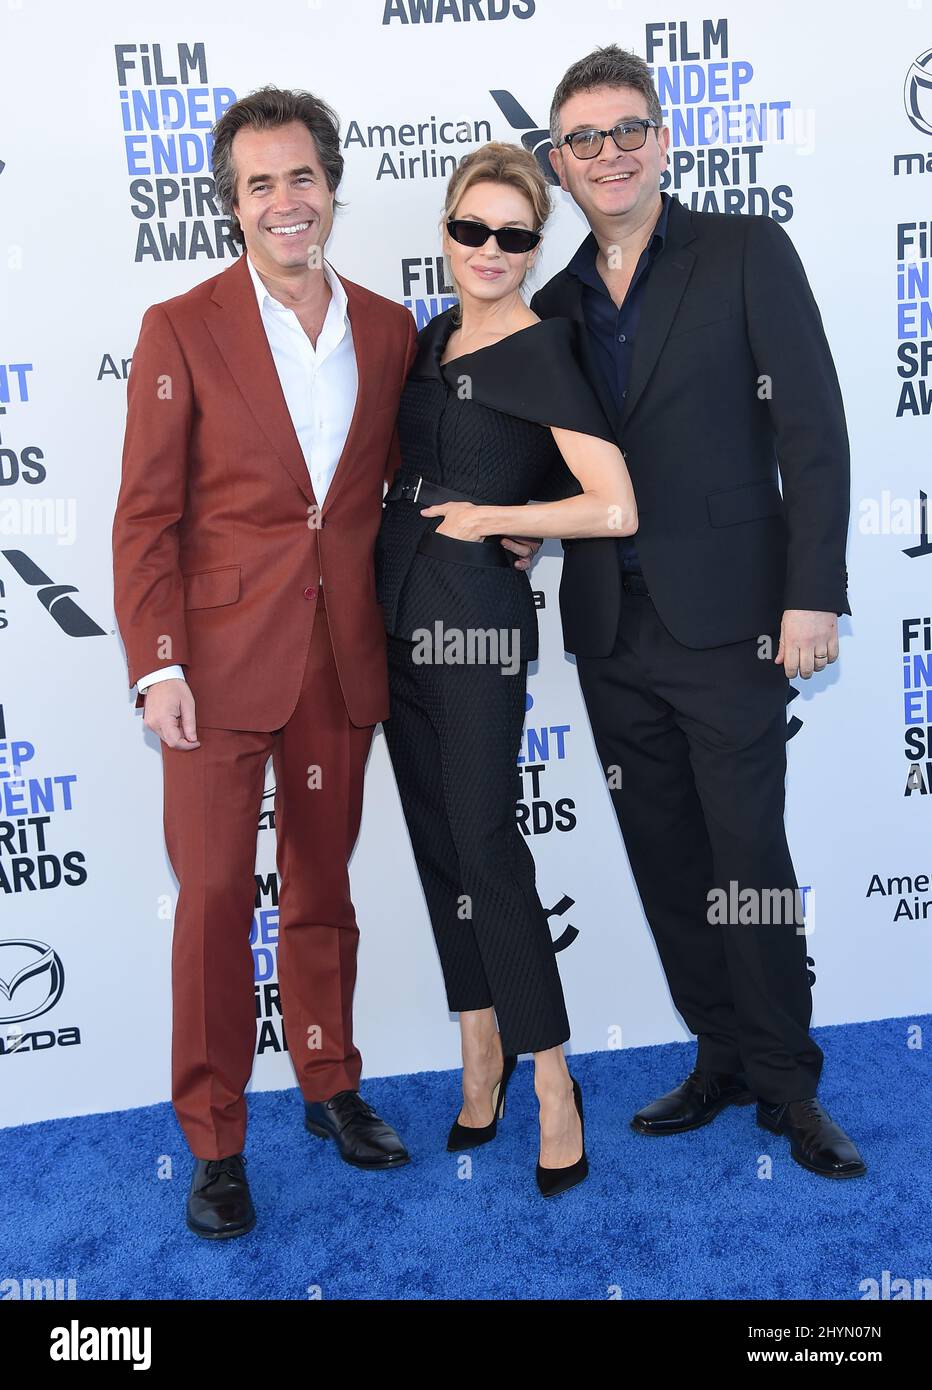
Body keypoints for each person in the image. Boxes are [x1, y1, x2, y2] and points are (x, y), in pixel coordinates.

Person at [530, 46, 865, 1177]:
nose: (608, 152)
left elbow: (812, 430)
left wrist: (811, 590)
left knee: (748, 861)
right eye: (583, 139)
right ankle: (717, 1056)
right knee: (665, 857)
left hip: (731, 622)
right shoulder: (554, 301)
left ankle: (785, 1082)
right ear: (560, 163)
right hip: (608, 630)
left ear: (662, 140)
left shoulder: (742, 251)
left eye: (627, 130)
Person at [113, 86, 419, 1239]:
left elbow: (385, 496)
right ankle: (213, 1136)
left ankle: (330, 1083)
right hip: (213, 669)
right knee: (210, 901)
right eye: (260, 184)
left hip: (337, 659)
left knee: (323, 887)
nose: (285, 201)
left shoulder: (387, 328)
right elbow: (144, 517)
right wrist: (157, 664)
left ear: (331, 184)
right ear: (230, 205)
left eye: (301, 177)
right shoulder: (180, 325)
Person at [375, 142, 638, 1197]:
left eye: (513, 235)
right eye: (470, 230)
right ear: (444, 232)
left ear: (538, 245)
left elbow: (612, 504)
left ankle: (552, 1082)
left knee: (488, 846)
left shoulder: (542, 348)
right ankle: (475, 1052)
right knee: (440, 846)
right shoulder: (430, 338)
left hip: (478, 624)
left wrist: (502, 518)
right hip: (391, 611)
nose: (489, 250)